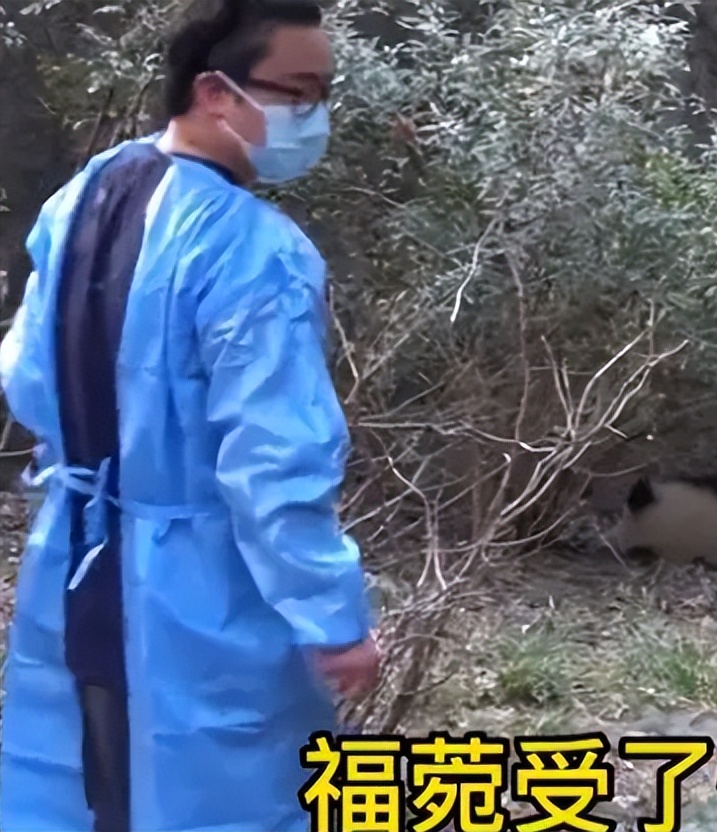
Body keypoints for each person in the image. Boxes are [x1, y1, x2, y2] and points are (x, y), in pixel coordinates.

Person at [0, 0, 381, 829]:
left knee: (67, 782)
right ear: (215, 91)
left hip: (68, 554)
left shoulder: (85, 196)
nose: (312, 117)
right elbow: (274, 460)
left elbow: (27, 380)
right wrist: (333, 618)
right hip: (200, 587)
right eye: (297, 92)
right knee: (226, 795)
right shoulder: (254, 251)